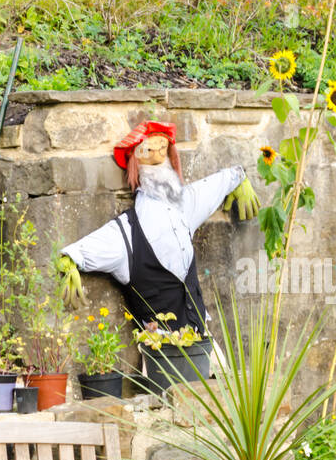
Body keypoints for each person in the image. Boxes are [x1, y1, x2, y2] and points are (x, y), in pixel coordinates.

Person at [56, 121, 259, 335]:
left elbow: (212, 187)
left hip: (201, 337)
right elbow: (87, 249)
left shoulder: (183, 206)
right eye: (149, 148)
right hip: (161, 352)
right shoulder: (126, 234)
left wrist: (238, 179)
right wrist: (71, 260)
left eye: (163, 147)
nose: (158, 152)